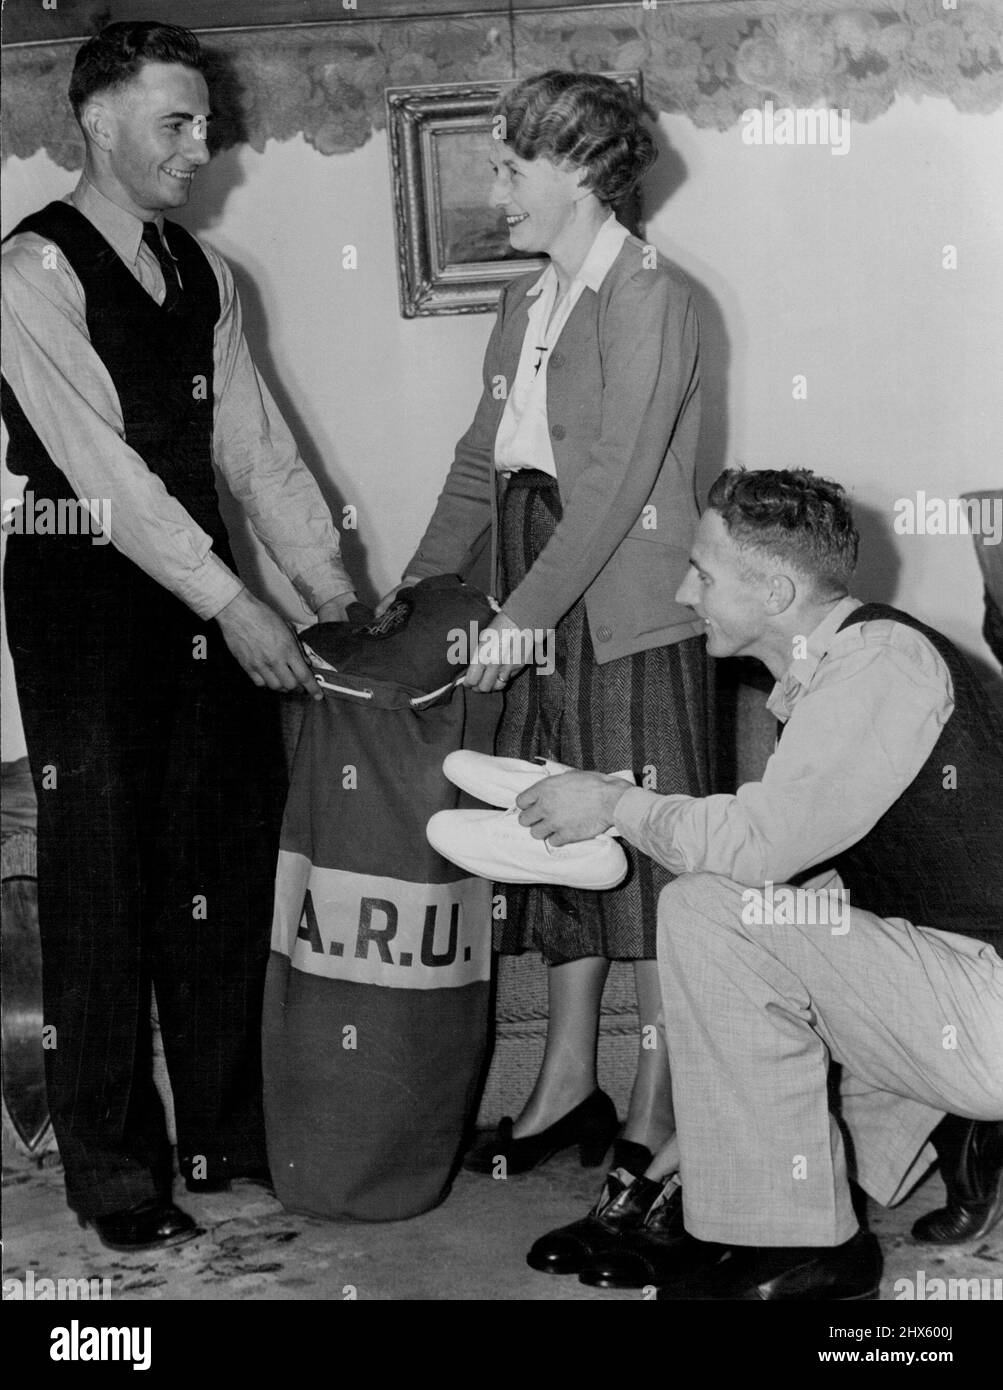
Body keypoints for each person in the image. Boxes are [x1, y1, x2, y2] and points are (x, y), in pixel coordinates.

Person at [1, 22, 358, 1252]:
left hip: (203, 588)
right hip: (82, 594)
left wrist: (324, 585)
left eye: (207, 123)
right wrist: (236, 602)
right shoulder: (30, 273)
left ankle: (225, 1135)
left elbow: (250, 444)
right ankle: (112, 1176)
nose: (202, 148)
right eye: (176, 123)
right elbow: (101, 474)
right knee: (100, 881)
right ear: (97, 123)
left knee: (223, 860)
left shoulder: (206, 273)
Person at [514, 467, 1003, 1298]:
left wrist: (612, 803)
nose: (681, 588)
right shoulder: (828, 681)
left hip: (983, 1002)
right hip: (957, 988)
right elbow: (803, 914)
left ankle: (803, 1247)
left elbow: (752, 852)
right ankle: (715, 1210)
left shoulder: (880, 665)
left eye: (702, 572)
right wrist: (690, 1151)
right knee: (742, 922)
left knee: (705, 908)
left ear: (774, 589)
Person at [382, 71, 714, 1179]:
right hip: (534, 563)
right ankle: (565, 1082)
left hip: (626, 598)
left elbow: (616, 485)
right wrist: (420, 586)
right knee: (549, 831)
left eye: (511, 167)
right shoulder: (527, 299)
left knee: (653, 858)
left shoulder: (653, 293)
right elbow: (483, 464)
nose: (496, 188)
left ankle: (658, 1113)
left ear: (576, 171)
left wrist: (518, 620)